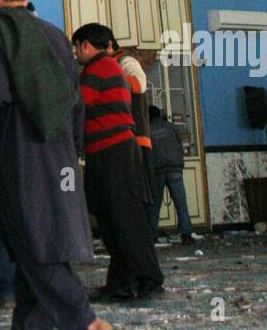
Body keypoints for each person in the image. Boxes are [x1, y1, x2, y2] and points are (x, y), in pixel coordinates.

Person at [0, 0, 113, 330]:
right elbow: (74, 98)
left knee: (31, 241)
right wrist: (74, 147)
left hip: (20, 149)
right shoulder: (52, 33)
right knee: (34, 236)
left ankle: (90, 325)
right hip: (60, 147)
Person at [72, 23, 164, 303]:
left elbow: (77, 105)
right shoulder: (108, 68)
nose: (75, 53)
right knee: (114, 222)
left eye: (76, 47)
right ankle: (120, 283)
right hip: (110, 152)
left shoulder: (99, 69)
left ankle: (149, 279)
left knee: (125, 221)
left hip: (115, 154)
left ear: (86, 45)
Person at [109, 36, 157, 205]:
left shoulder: (126, 62)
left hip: (135, 140)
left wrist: (110, 82)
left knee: (136, 198)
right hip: (129, 140)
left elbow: (138, 84)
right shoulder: (116, 63)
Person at [147, 105, 195, 243]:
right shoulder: (171, 127)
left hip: (158, 170)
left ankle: (152, 234)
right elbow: (180, 145)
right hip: (174, 168)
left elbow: (147, 152)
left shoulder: (148, 130)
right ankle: (186, 234)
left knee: (155, 204)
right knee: (181, 203)